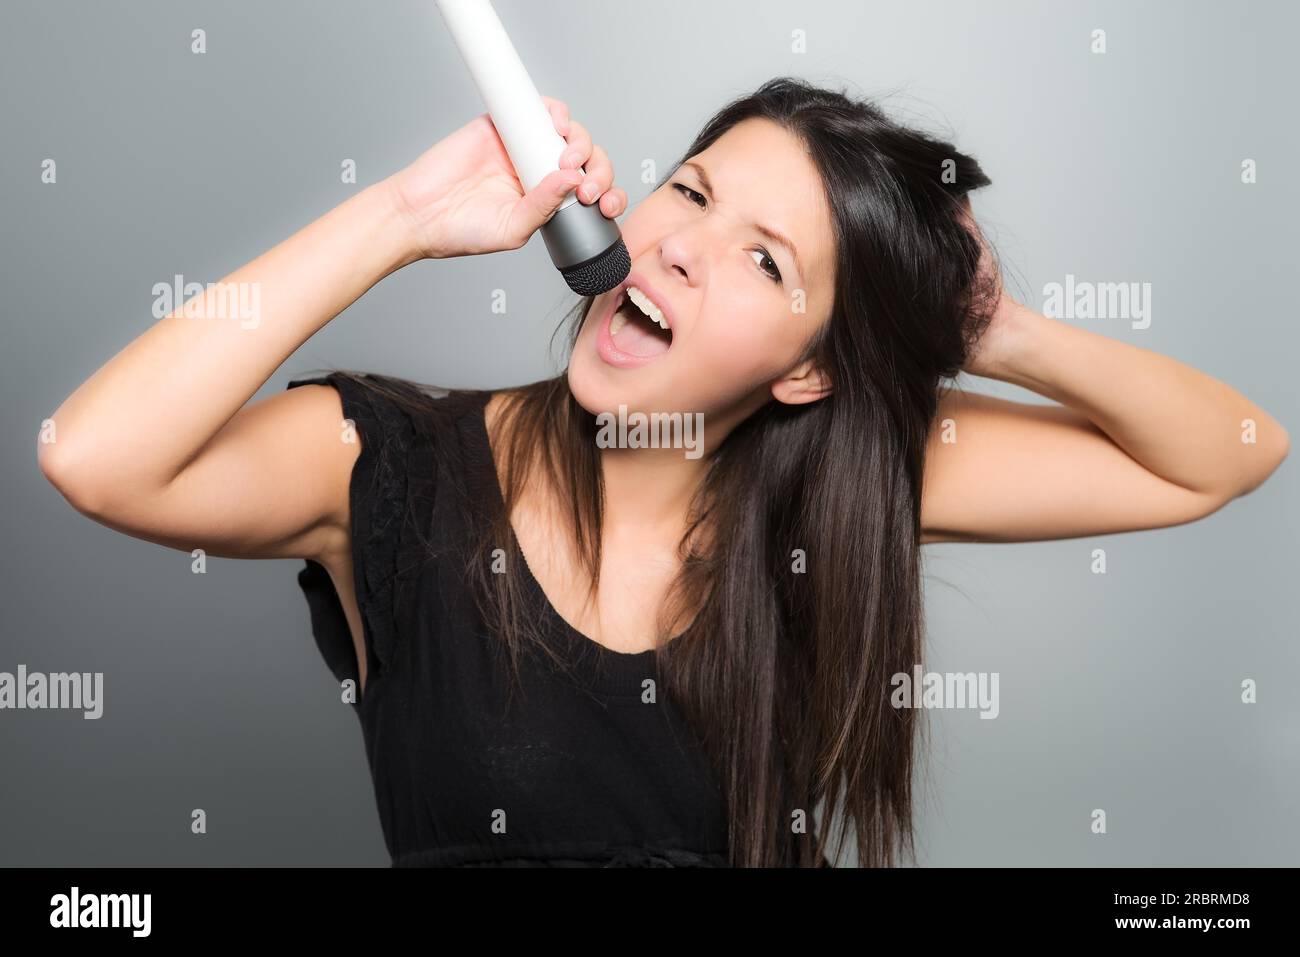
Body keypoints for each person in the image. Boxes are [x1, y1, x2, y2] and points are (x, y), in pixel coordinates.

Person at [38, 77, 1289, 867]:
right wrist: (401, 221)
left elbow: (1226, 456)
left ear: (808, 373)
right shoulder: (394, 461)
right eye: (688, 191)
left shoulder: (826, 489)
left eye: (764, 264)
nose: (682, 249)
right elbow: (95, 457)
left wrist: (988, 330)